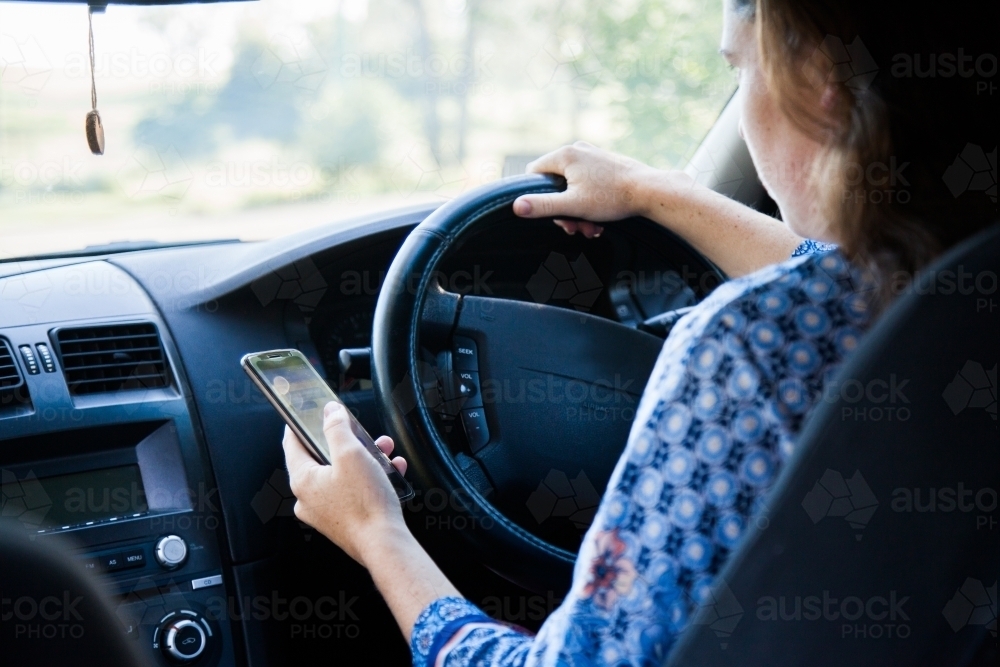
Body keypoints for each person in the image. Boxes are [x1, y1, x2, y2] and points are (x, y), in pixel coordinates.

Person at [281, 0, 995, 665]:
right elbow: (867, 284)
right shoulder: (956, 294)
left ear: (816, 78)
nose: (745, 95)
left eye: (740, 68)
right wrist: (658, 193)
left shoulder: (747, 352)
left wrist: (377, 533)